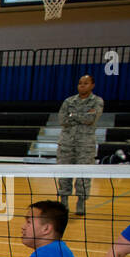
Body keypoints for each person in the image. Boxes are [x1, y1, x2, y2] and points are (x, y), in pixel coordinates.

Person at [56, 75, 104, 217]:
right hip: (66, 143)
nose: (82, 85)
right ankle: (63, 203)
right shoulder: (69, 101)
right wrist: (80, 116)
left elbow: (90, 119)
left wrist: (73, 115)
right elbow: (62, 119)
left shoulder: (97, 101)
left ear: (92, 85)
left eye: (86, 83)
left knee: (84, 174)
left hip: (85, 144)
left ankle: (81, 202)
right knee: (64, 174)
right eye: (80, 83)